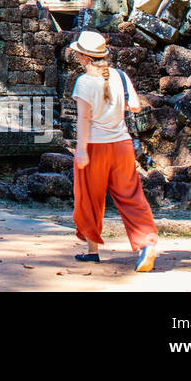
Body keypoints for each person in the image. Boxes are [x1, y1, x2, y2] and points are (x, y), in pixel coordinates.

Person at [70, 29, 159, 272]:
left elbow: (84, 119)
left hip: (95, 146)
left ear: (86, 58)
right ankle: (147, 243)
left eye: (78, 54)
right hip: (122, 144)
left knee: (89, 197)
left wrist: (81, 149)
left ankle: (92, 250)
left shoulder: (84, 81)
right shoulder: (120, 76)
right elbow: (136, 106)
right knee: (131, 196)